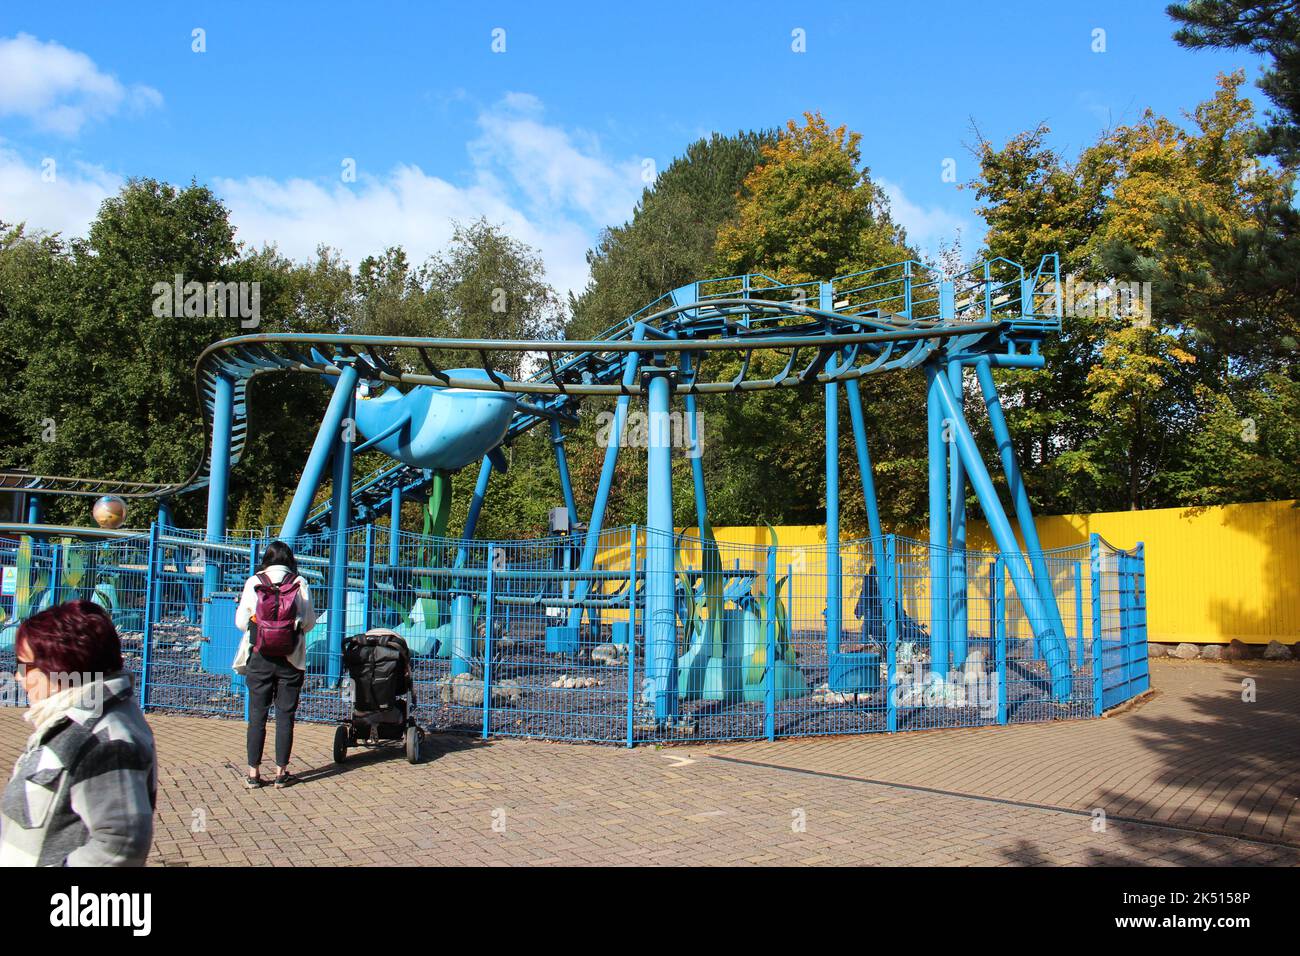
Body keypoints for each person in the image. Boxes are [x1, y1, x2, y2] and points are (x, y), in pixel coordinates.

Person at [0, 600, 157, 866]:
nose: (17, 677)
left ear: (59, 668)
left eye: (24, 666)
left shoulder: (103, 741)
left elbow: (121, 845)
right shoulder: (76, 719)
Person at [233, 540, 316, 790]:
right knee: (285, 715)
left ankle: (253, 773)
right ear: (290, 560)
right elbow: (309, 621)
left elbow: (240, 622)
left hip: (259, 655)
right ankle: (281, 772)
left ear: (266, 559)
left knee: (257, 715)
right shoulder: (300, 583)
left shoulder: (254, 582)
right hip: (291, 657)